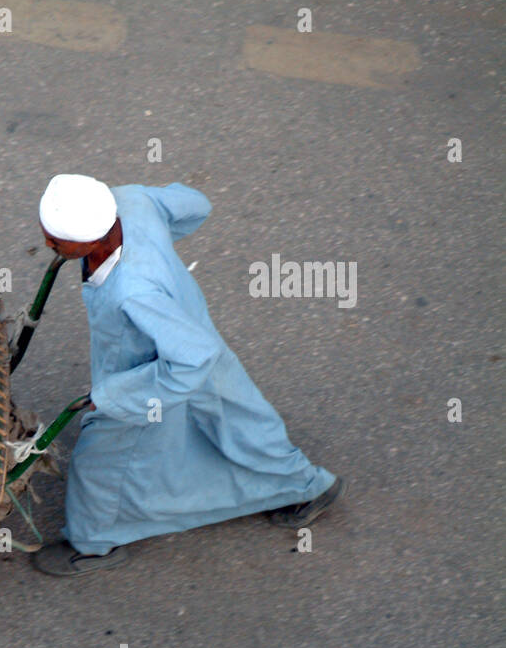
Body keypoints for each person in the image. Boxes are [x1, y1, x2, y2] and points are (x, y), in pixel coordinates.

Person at [31, 174, 344, 577]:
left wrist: (112, 396)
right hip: (187, 331)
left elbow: (191, 361)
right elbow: (195, 203)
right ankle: (305, 486)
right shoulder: (128, 202)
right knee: (242, 423)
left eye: (56, 243)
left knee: (97, 461)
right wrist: (158, 246)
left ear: (92, 241)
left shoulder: (134, 290)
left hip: (162, 363)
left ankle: (92, 544)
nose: (48, 247)